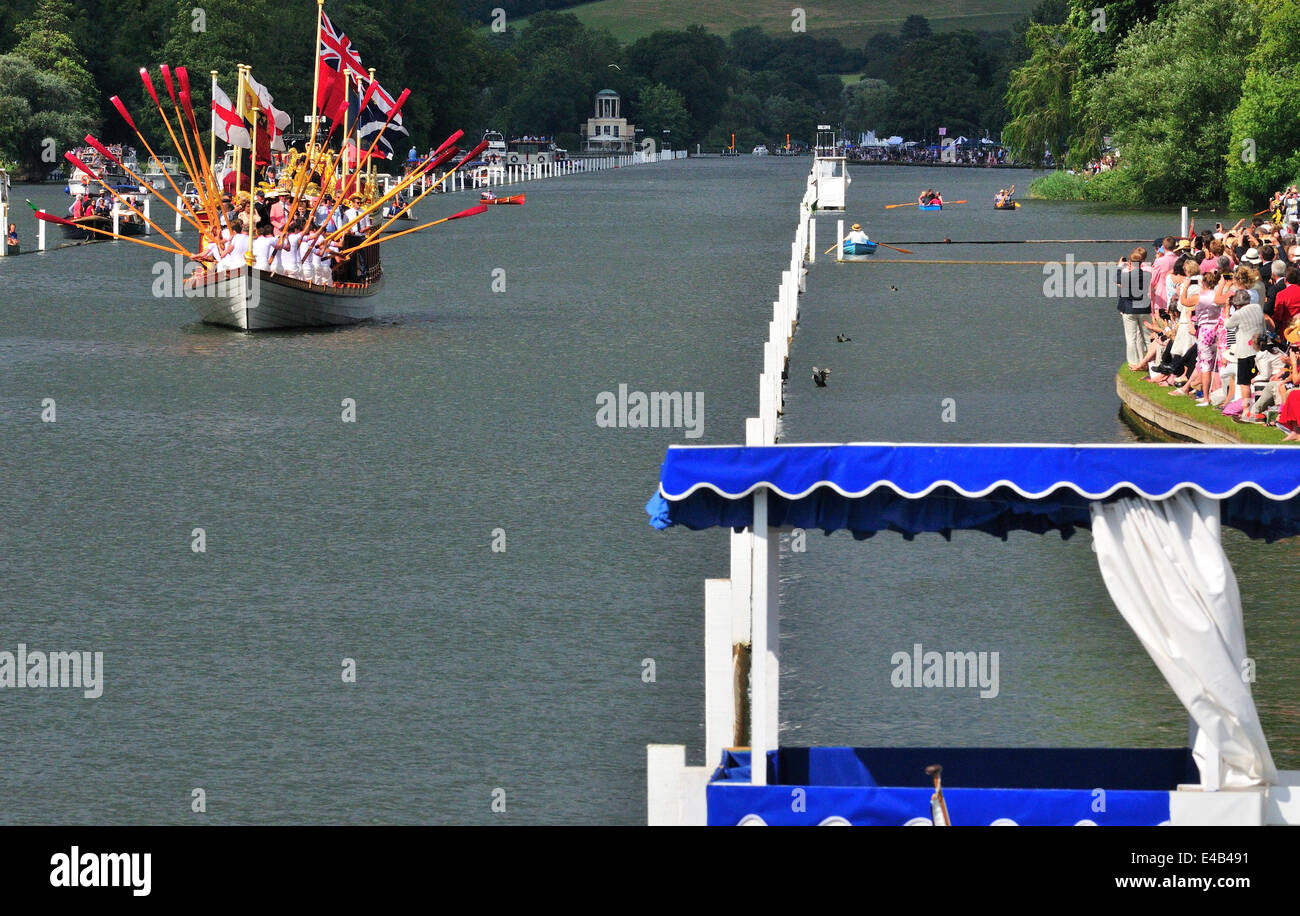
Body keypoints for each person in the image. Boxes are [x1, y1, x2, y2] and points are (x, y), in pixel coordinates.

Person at [1116, 247, 1151, 368]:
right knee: (1147, 337)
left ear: (1130, 263)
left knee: (1131, 338)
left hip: (1129, 308)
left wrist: (1120, 267)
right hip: (1144, 307)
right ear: (1142, 263)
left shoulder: (1126, 276)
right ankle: (1149, 361)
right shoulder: (1147, 274)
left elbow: (1119, 282)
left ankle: (1134, 363)